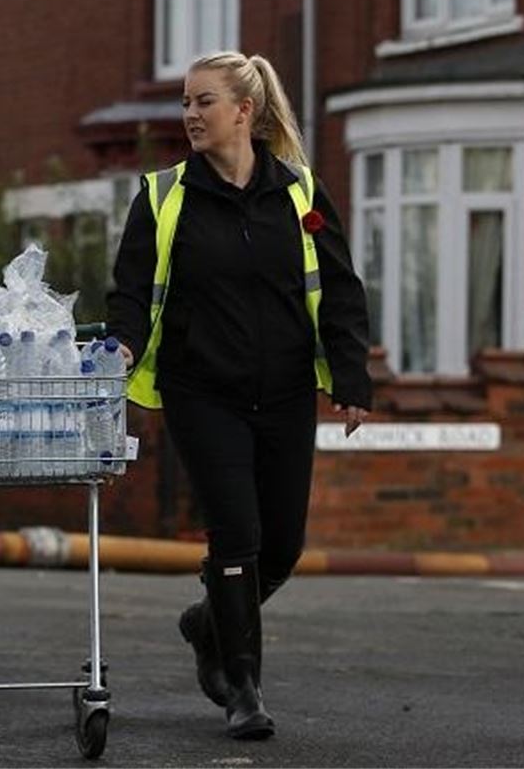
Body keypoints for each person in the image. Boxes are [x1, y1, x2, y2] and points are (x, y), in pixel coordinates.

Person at [106, 51, 372, 740]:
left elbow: (339, 289)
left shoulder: (301, 194)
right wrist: (123, 346)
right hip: (202, 390)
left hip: (284, 391)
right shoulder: (164, 196)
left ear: (244, 112)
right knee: (237, 534)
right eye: (186, 103)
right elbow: (131, 289)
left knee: (282, 545)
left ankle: (206, 621)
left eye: (204, 102)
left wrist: (350, 379)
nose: (190, 115)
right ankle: (242, 688)